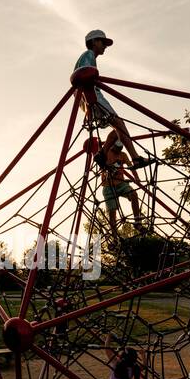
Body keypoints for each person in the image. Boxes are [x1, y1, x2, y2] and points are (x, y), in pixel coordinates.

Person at [74, 30, 151, 167]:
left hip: (89, 97)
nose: (105, 46)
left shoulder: (89, 56)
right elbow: (84, 74)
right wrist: (89, 101)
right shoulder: (88, 54)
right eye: (102, 42)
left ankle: (102, 154)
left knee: (117, 129)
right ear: (93, 42)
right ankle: (135, 157)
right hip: (93, 96)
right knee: (119, 124)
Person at [97, 129, 143, 238]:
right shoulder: (107, 152)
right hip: (108, 186)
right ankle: (114, 235)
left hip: (120, 184)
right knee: (112, 212)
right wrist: (99, 145)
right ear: (113, 146)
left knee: (133, 194)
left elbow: (131, 166)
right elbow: (100, 155)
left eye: (119, 149)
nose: (117, 151)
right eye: (116, 149)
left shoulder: (123, 155)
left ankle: (137, 222)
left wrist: (136, 177)